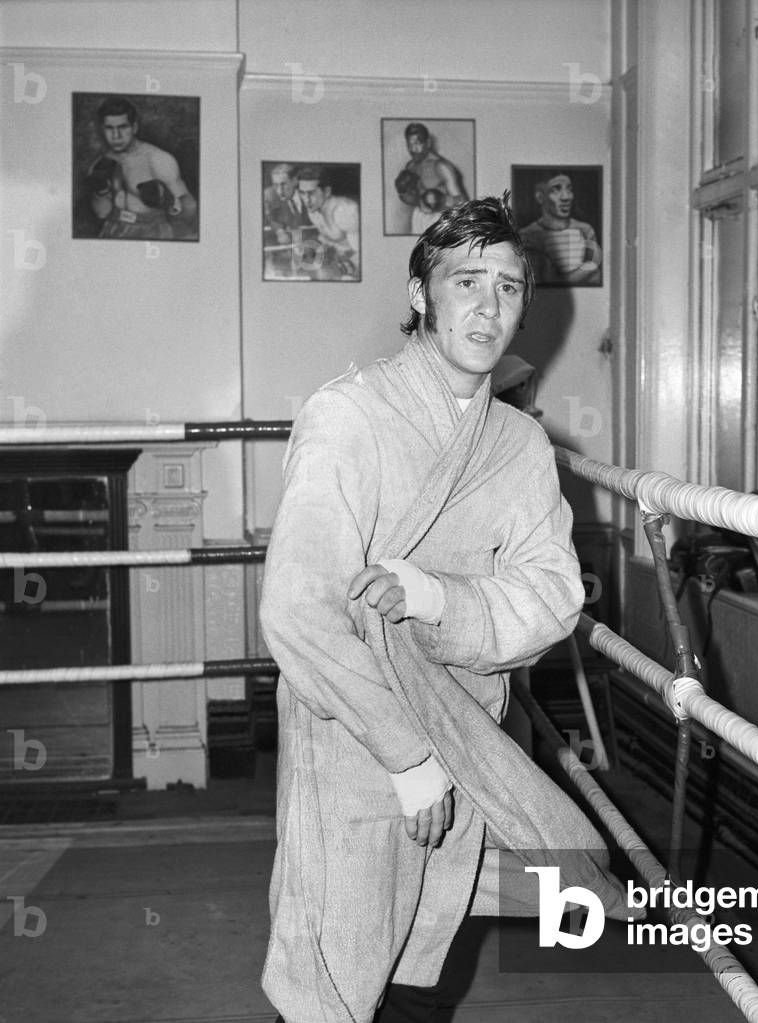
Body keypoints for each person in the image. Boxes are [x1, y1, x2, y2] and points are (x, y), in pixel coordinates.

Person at [260, 194, 629, 1023]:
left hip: (466, 727)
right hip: (354, 731)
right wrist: (403, 754)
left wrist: (436, 597)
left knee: (422, 968)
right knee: (333, 972)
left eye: (508, 287)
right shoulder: (347, 415)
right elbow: (297, 607)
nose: (488, 307)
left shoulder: (519, 443)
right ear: (420, 294)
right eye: (467, 281)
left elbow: (552, 595)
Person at [85, 96, 197, 240]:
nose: (116, 136)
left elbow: (190, 209)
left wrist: (169, 201)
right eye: (109, 128)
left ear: (134, 127)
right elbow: (102, 213)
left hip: (152, 232)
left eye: (123, 127)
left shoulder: (157, 159)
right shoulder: (103, 162)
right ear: (103, 129)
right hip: (113, 229)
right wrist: (101, 191)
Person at [519, 173, 602, 285]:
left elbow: (594, 269)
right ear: (540, 197)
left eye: (569, 189)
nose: (566, 197)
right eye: (556, 190)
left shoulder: (586, 230)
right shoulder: (526, 235)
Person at [396, 122, 469, 234]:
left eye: (417, 143)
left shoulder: (441, 166)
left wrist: (441, 199)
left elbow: (462, 202)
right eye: (409, 145)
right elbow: (413, 199)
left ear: (428, 142)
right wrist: (404, 194)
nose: (413, 149)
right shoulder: (410, 167)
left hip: (440, 220)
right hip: (418, 218)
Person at [294, 165, 360, 280]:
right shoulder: (314, 211)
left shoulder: (344, 211)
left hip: (356, 265)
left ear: (327, 192)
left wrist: (342, 270)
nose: (306, 200)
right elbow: (326, 239)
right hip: (338, 258)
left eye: (311, 193)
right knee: (301, 269)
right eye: (302, 193)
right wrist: (306, 258)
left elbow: (366, 254)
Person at [262, 163, 313, 278]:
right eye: (275, 185)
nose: (279, 190)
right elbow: (272, 216)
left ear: (295, 181)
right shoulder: (269, 195)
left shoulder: (307, 192)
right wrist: (280, 231)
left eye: (283, 184)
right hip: (281, 256)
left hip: (310, 249)